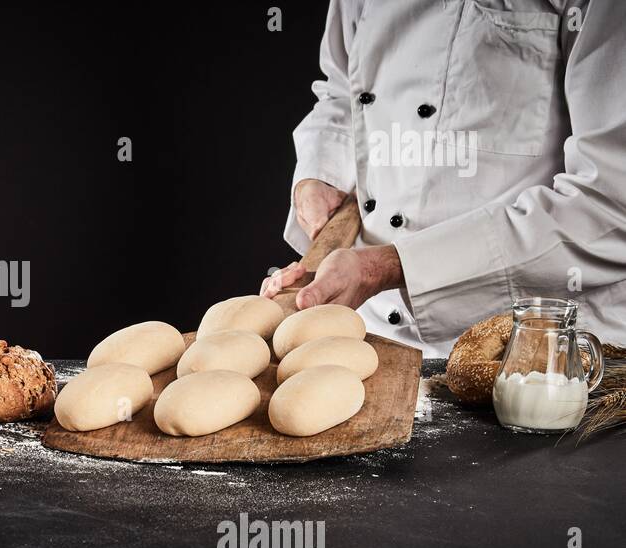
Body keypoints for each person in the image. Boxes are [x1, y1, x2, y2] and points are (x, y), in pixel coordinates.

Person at [260, 0, 626, 358]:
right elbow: (342, 90)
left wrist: (386, 267)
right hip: (366, 330)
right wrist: (321, 174)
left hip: (536, 351)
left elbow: (609, 206)